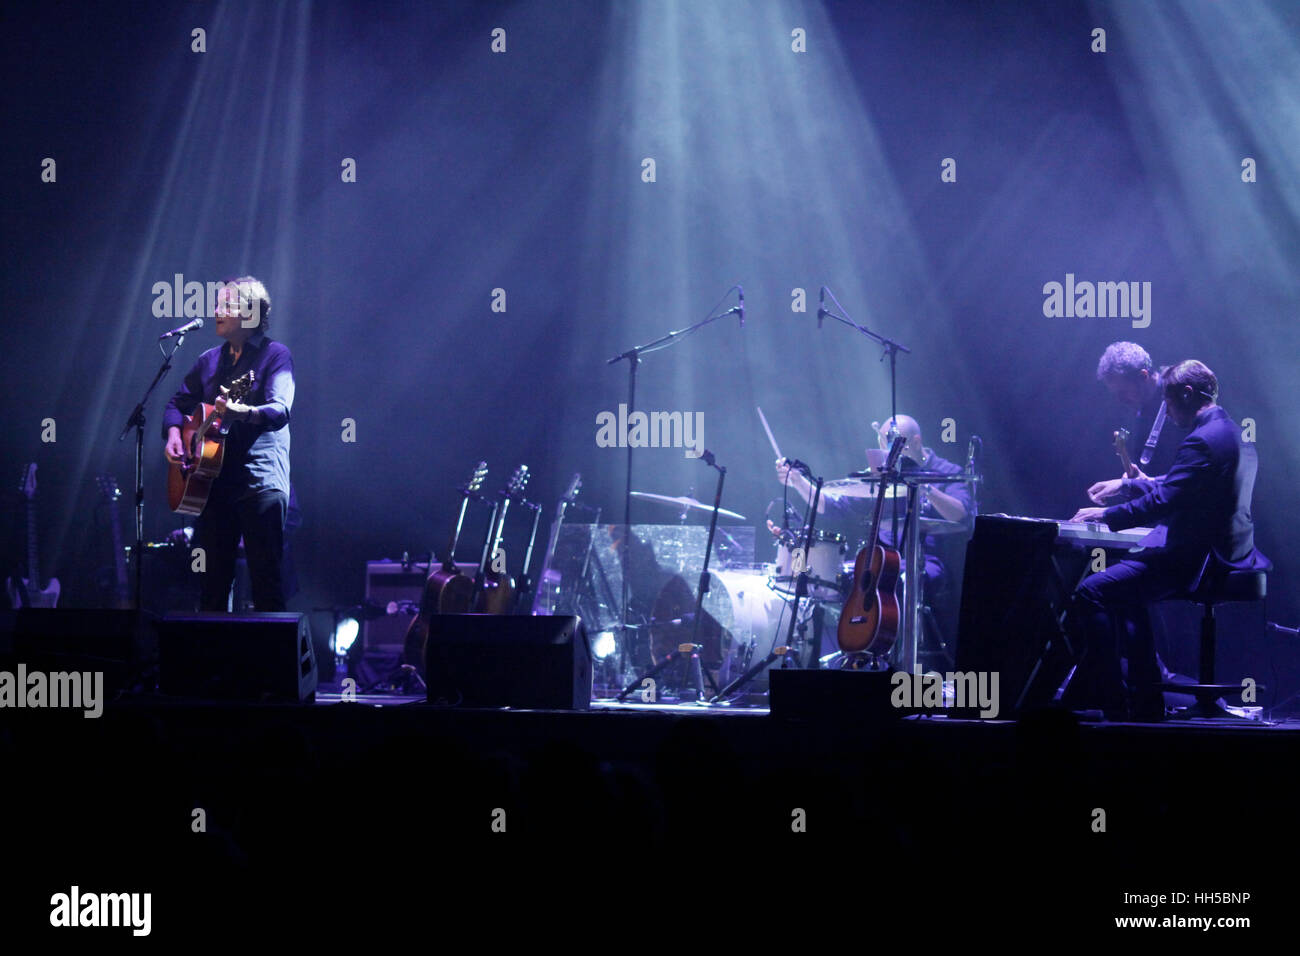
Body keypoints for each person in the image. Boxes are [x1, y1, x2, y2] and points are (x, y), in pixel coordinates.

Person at [1067, 360, 1262, 720]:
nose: (1168, 414)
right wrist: (1126, 485)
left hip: (1197, 561)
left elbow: (1166, 500)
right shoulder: (1232, 434)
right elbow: (1183, 486)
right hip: (1232, 554)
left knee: (1091, 591)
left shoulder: (1201, 441)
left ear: (1187, 395)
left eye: (1169, 404)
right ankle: (1145, 702)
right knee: (1124, 591)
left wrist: (1107, 515)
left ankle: (1112, 701)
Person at [774, 415, 973, 658]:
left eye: (895, 445)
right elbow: (831, 504)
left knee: (896, 581)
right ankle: (853, 653)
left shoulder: (946, 471)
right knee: (845, 575)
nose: (889, 452)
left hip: (926, 561)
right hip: (883, 559)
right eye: (883, 444)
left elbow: (961, 513)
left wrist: (922, 484)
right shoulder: (882, 473)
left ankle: (895, 655)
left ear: (916, 441)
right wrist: (798, 482)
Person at [163, 276, 295, 612]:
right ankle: (216, 662)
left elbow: (280, 410)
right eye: (217, 303)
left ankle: (271, 661)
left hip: (259, 482)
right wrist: (176, 435)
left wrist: (243, 412)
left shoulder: (275, 356)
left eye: (227, 304)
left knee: (266, 582)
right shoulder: (208, 360)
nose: (216, 310)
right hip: (212, 486)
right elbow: (176, 405)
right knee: (212, 585)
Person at [1092, 342, 1187, 492]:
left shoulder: (1181, 401)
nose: (1120, 400)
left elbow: (1194, 472)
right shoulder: (1137, 407)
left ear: (1143, 376)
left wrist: (1145, 482)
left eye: (1123, 392)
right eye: (1116, 394)